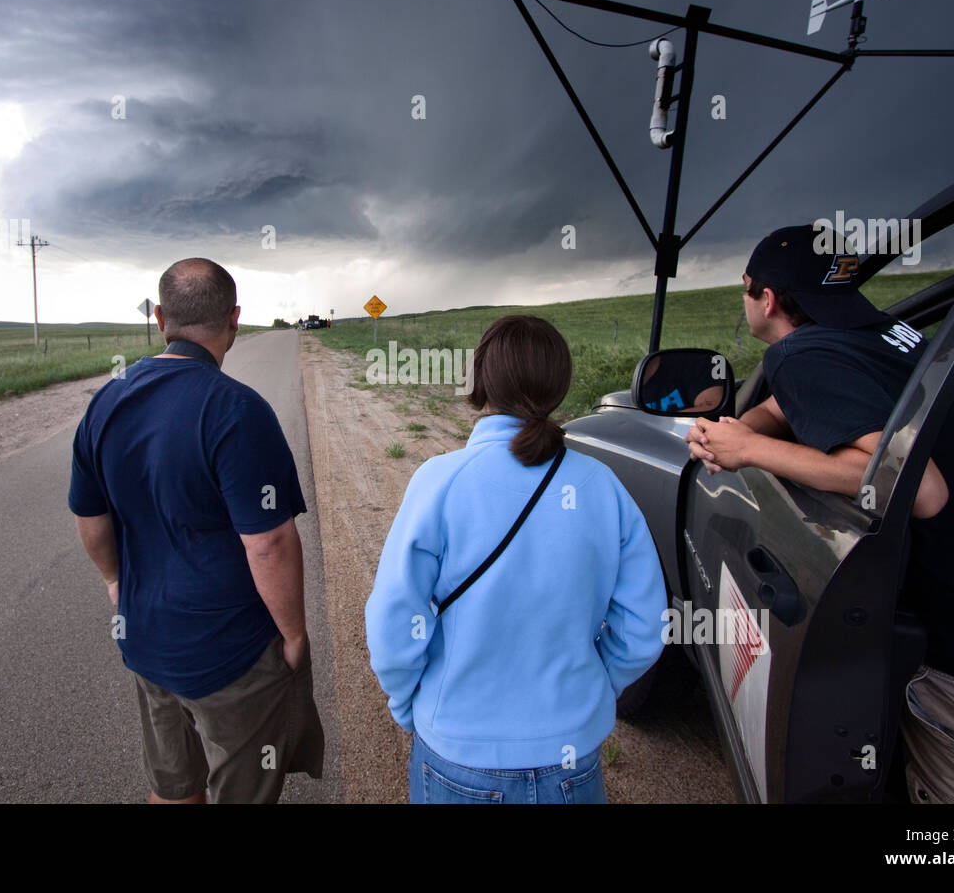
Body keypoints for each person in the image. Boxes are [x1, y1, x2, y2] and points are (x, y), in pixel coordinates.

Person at [685, 224, 954, 803]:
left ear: (764, 298)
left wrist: (749, 451)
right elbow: (783, 404)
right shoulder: (889, 336)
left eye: (745, 290)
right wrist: (739, 427)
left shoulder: (797, 353)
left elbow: (921, 490)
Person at [365, 315, 667, 804]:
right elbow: (645, 625)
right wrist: (592, 691)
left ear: (480, 381)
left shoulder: (438, 481)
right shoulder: (603, 487)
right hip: (572, 755)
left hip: (458, 757)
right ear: (560, 385)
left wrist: (408, 704)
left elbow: (395, 619)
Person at [68, 257, 323, 804]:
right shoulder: (237, 410)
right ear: (233, 319)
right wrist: (295, 635)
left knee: (174, 786)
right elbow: (269, 542)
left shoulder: (105, 403)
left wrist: (116, 585)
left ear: (161, 318)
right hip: (232, 653)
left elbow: (90, 519)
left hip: (146, 639)